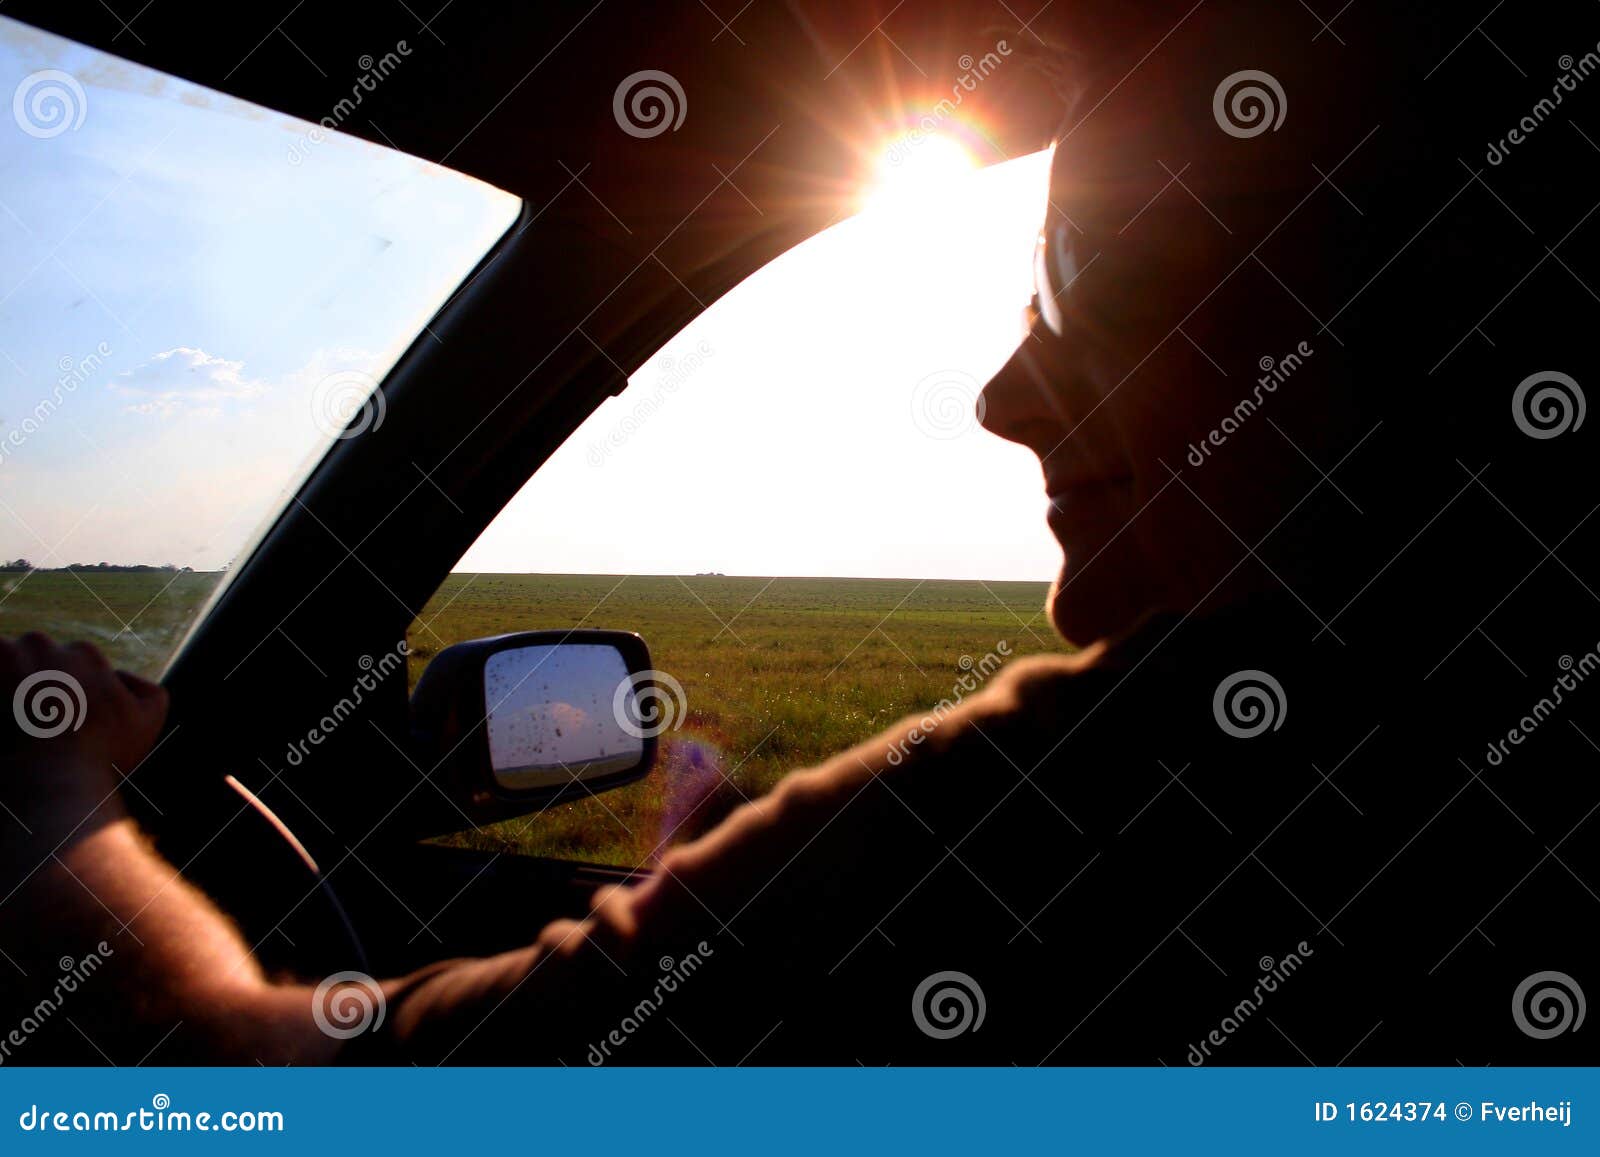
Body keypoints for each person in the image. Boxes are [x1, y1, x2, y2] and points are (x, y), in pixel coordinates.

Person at [2, 1, 1594, 1065]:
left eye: (1096, 279)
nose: (1005, 398)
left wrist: (60, 813)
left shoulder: (1161, 767)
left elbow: (276, 1096)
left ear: (1425, 301)